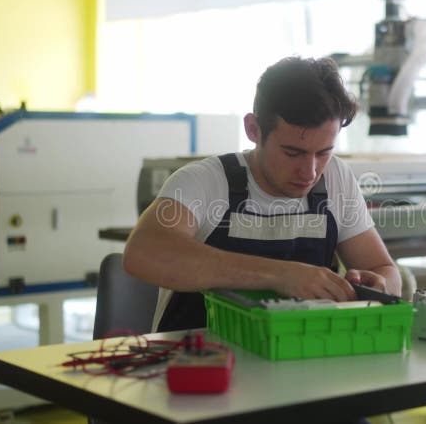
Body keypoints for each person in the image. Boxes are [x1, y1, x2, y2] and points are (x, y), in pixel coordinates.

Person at [123, 56, 401, 333]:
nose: (310, 171)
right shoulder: (205, 181)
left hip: (300, 359)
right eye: (293, 153)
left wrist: (380, 285)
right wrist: (280, 275)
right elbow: (144, 252)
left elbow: (384, 270)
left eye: (324, 152)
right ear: (253, 129)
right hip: (201, 364)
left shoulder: (336, 179)